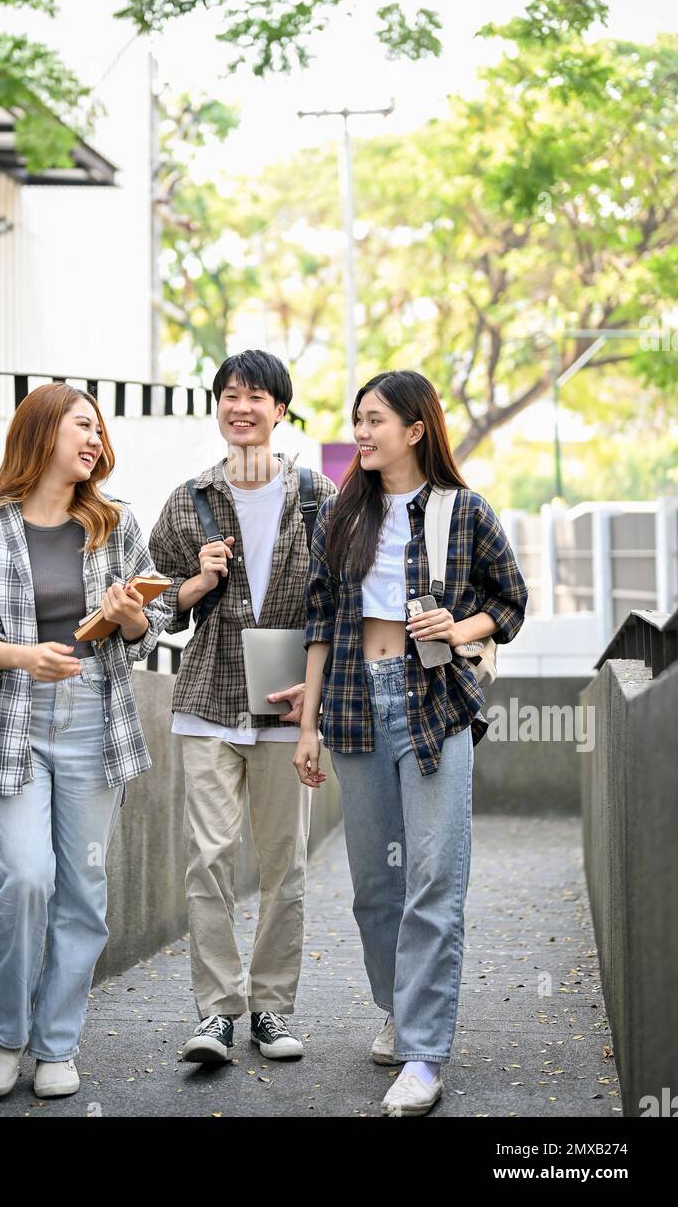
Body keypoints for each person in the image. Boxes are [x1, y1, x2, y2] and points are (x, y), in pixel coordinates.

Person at [295, 369, 527, 1116]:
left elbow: (509, 599)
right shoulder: (341, 515)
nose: (360, 434)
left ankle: (425, 1053)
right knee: (374, 889)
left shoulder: (465, 511)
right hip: (358, 704)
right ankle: (400, 1006)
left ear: (416, 430)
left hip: (434, 705)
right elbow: (322, 619)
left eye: (373, 420)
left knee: (434, 880)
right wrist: (307, 725)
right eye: (356, 420)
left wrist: (459, 629)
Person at [0, 382, 171, 1100]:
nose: (95, 440)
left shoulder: (115, 522)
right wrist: (24, 655)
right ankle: (5, 1038)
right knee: (23, 879)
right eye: (83, 425)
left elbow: (155, 627)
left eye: (99, 432)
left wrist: (127, 615)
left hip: (93, 722)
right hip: (16, 723)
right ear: (43, 432)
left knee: (83, 888)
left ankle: (56, 1045)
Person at [149, 350, 336, 1064]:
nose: (241, 407)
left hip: (287, 698)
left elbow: (338, 607)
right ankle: (217, 1014)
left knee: (284, 861)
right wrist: (196, 583)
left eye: (256, 396)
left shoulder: (317, 496)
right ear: (219, 408)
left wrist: (315, 707)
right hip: (208, 696)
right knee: (208, 859)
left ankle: (271, 1009)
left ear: (280, 410)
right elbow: (152, 608)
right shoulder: (190, 499)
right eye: (230, 395)